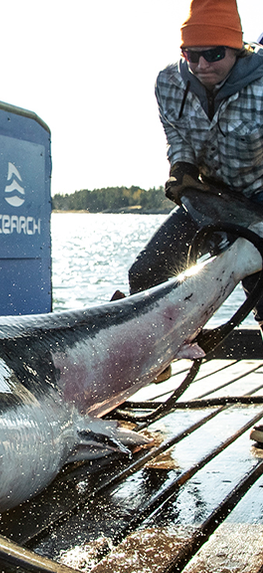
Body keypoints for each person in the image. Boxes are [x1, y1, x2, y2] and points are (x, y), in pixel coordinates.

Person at [128, 0, 263, 440]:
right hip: (208, 197)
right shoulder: (169, 83)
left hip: (260, 199)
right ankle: (154, 360)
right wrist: (181, 167)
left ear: (237, 49)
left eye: (214, 54)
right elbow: (176, 134)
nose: (202, 65)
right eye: (192, 54)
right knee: (146, 273)